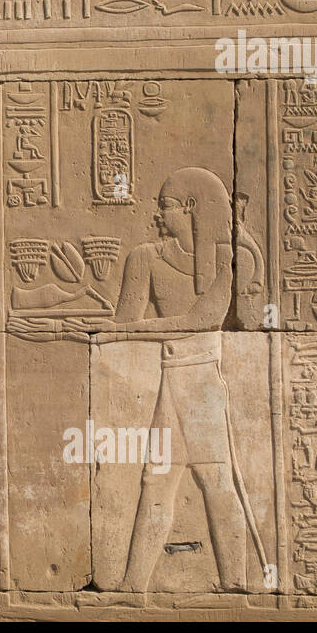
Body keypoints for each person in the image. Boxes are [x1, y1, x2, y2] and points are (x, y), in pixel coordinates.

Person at [109, 167, 249, 592]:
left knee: (216, 480)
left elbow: (202, 319)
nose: (156, 215)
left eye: (164, 206)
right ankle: (134, 589)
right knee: (156, 481)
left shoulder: (230, 259)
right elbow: (124, 322)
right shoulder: (145, 258)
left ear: (190, 208)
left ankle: (236, 584)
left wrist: (127, 331)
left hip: (203, 381)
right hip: (173, 379)